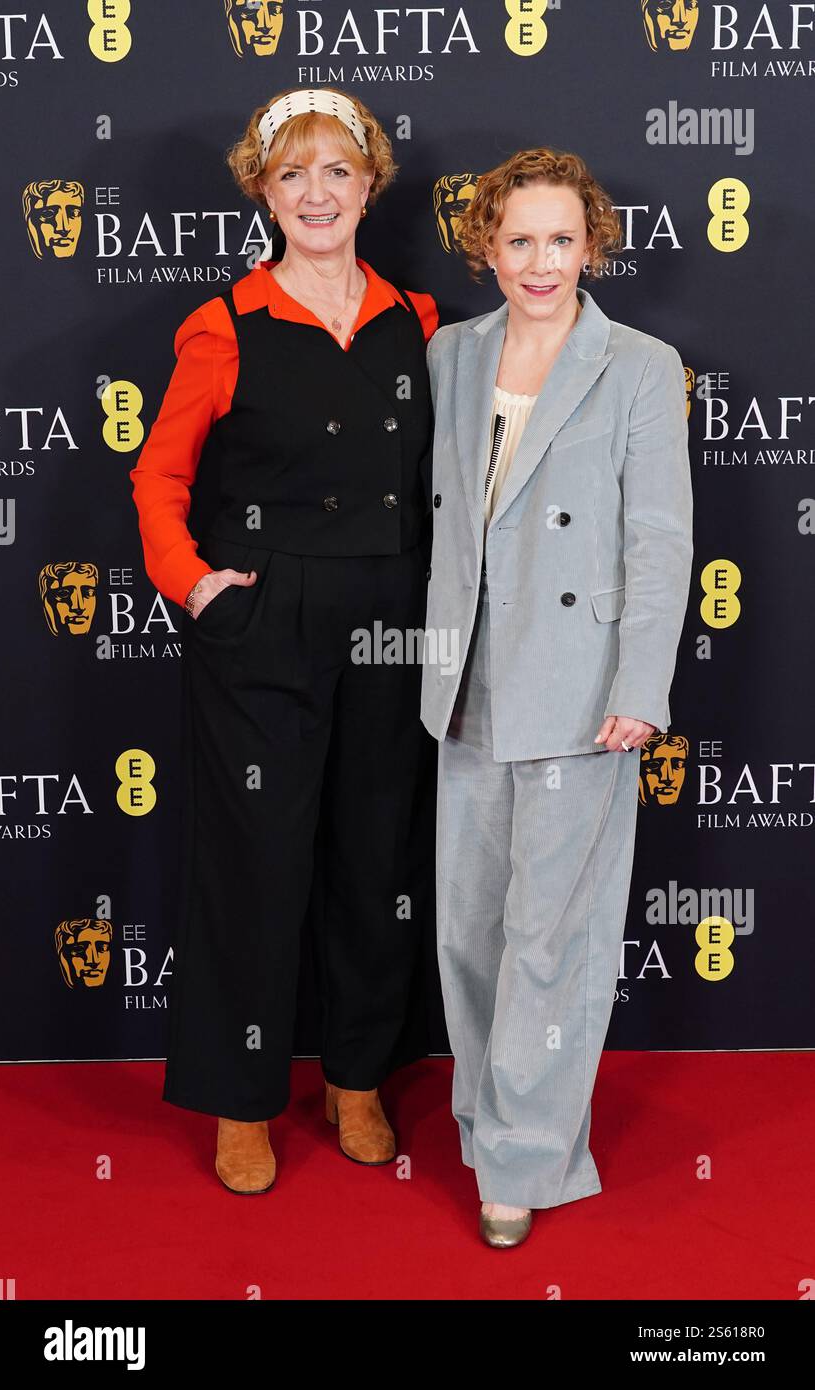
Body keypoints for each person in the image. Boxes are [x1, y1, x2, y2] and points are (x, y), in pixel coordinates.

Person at [129, 86, 438, 1194]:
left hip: (393, 620)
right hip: (263, 623)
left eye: (336, 172)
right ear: (263, 192)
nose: (317, 193)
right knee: (253, 864)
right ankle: (242, 1098)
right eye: (292, 174)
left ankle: (356, 1078)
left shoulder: (420, 318)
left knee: (375, 853)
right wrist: (198, 586)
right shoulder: (225, 323)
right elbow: (158, 475)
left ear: (368, 187)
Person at [420, 147, 693, 1247]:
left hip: (579, 688)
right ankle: (487, 1122)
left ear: (593, 245)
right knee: (469, 928)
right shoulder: (447, 354)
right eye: (518, 239)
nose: (539, 262)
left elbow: (659, 537)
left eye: (561, 240)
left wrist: (638, 682)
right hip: (463, 676)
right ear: (486, 244)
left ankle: (526, 1161)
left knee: (550, 936)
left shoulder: (634, 363)